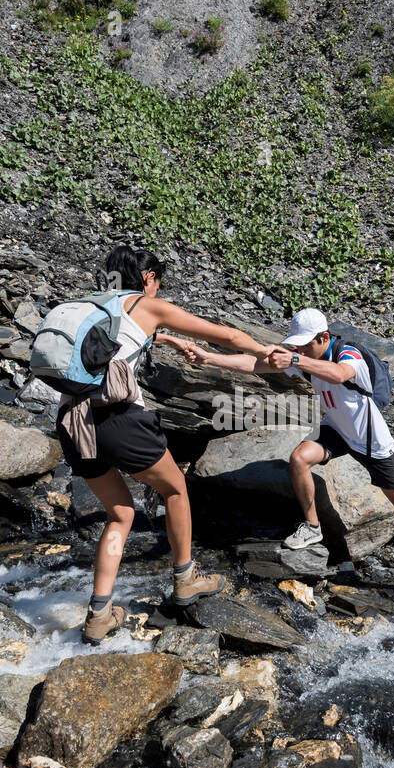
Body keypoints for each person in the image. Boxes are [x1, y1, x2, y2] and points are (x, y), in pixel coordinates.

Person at [59, 245, 278, 644]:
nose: (157, 289)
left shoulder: (95, 306)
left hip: (72, 421)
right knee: (175, 489)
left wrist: (169, 342)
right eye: (158, 280)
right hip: (115, 421)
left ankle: (99, 615)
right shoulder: (147, 304)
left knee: (120, 513)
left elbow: (123, 342)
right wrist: (264, 350)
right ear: (148, 278)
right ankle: (186, 580)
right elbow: (226, 335)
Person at [184, 307, 394, 592]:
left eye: (304, 343)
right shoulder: (306, 356)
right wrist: (209, 357)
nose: (298, 348)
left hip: (369, 439)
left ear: (324, 337)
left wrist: (296, 358)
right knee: (299, 458)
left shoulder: (348, 354)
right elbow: (254, 364)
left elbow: (339, 374)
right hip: (337, 430)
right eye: (296, 344)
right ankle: (313, 527)